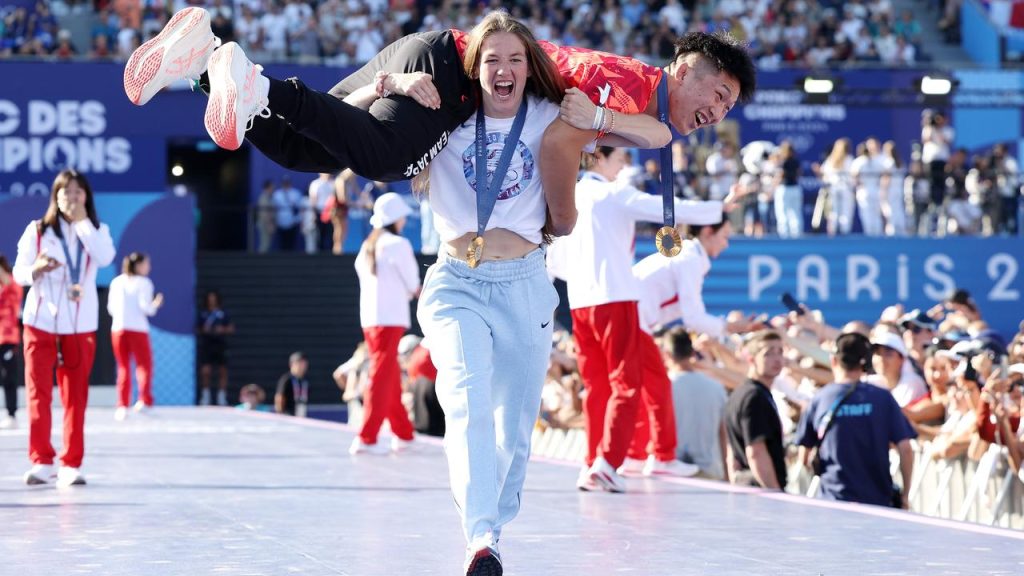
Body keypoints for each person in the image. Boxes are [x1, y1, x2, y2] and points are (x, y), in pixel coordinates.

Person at [124, 8, 754, 232]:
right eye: (719, 93)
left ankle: (205, 59)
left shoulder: (640, 98)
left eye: (727, 107)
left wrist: (655, 132)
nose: (718, 111)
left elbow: (649, 135)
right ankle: (255, 80)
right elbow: (560, 146)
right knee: (388, 160)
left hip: (425, 54)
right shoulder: (632, 86)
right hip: (453, 72)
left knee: (302, 150)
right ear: (688, 66)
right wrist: (561, 222)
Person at [411, 13, 565, 576]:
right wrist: (394, 84)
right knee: (466, 397)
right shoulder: (444, 116)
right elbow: (352, 107)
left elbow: (656, 132)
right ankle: (480, 540)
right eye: (492, 59)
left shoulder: (552, 116)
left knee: (513, 426)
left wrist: (596, 116)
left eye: (515, 59)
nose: (504, 69)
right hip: (458, 282)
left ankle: (492, 527)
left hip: (524, 283)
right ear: (475, 68)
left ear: (529, 69)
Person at [547, 145, 720, 491]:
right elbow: (665, 208)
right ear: (599, 158)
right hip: (617, 297)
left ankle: (593, 461)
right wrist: (718, 208)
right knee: (626, 385)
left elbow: (557, 262)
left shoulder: (567, 195)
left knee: (596, 386)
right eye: (620, 158)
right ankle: (609, 464)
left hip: (581, 301)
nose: (624, 165)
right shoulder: (613, 193)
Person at [13, 169, 116, 486]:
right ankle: (42, 461)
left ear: (86, 196)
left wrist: (84, 223)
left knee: (75, 397)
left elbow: (106, 257)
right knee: (38, 394)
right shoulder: (37, 231)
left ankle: (71, 463)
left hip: (79, 324)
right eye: (65, 192)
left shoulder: (97, 231)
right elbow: (18, 273)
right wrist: (36, 270)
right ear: (55, 198)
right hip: (39, 322)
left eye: (78, 191)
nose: (72, 197)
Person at [797, 332, 917, 508]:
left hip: (834, 500)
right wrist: (905, 495)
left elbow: (803, 458)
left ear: (834, 361)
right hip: (877, 502)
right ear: (866, 363)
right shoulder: (883, 398)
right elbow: (905, 449)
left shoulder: (820, 399)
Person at [351, 192, 420, 454]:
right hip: (390, 318)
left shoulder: (368, 245)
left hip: (371, 318)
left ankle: (403, 433)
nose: (403, 222)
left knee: (387, 373)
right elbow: (412, 283)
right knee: (381, 375)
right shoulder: (396, 245)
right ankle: (367, 436)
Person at [724, 330, 788, 490]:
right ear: (751, 359)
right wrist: (775, 493)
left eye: (780, 351)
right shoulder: (754, 397)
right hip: (760, 492)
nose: (777, 359)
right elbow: (756, 451)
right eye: (768, 353)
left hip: (747, 487)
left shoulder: (743, 393)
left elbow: (732, 450)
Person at [662, 327, 729, 480]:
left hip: (673, 472)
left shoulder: (664, 388)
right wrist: (726, 474)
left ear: (666, 354)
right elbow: (723, 434)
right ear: (692, 352)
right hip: (710, 471)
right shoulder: (716, 387)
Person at [107, 252, 164, 421]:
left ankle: (122, 406)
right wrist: (156, 304)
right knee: (144, 366)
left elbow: (111, 308)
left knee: (123, 367)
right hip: (138, 329)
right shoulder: (144, 283)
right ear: (138, 265)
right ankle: (144, 401)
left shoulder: (116, 282)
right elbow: (146, 308)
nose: (149, 267)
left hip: (118, 328)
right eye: (147, 264)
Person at [197, 290, 234, 406]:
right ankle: (206, 396)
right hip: (207, 344)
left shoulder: (223, 313)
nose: (211, 301)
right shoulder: (203, 313)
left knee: (222, 371)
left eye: (214, 298)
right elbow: (197, 328)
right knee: (206, 371)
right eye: (210, 298)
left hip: (221, 344)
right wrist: (205, 330)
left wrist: (221, 329)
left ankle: (221, 397)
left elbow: (231, 328)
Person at [0, 254, 23, 429]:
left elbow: (17, 298)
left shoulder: (12, 283)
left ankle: (11, 413)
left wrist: (5, 280)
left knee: (9, 377)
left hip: (8, 338)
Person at [274, 351, 309, 417]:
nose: (302, 366)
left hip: (300, 414)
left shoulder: (304, 381)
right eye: (300, 363)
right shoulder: (286, 379)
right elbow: (279, 398)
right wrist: (280, 415)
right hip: (288, 416)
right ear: (292, 364)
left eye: (304, 364)